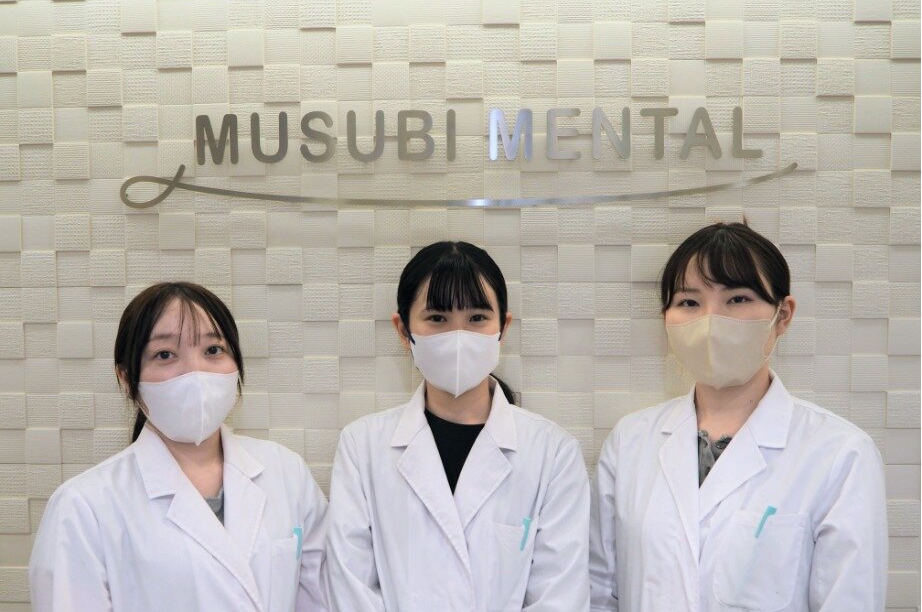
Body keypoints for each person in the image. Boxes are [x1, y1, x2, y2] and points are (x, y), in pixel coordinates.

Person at [589, 222, 888, 611]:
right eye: (689, 303)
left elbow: (849, 600)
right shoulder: (630, 441)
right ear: (666, 318)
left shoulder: (840, 453)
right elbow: (598, 590)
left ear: (783, 315)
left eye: (737, 299)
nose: (711, 321)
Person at [29, 282, 329, 612]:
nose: (195, 373)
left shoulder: (286, 472)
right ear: (127, 379)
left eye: (213, 350)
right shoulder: (83, 506)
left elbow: (322, 598)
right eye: (165, 355)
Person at [326, 241, 590, 611]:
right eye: (437, 318)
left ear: (503, 327)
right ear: (403, 329)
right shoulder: (362, 447)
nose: (458, 336)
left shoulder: (553, 453)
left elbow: (560, 595)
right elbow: (351, 588)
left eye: (477, 318)